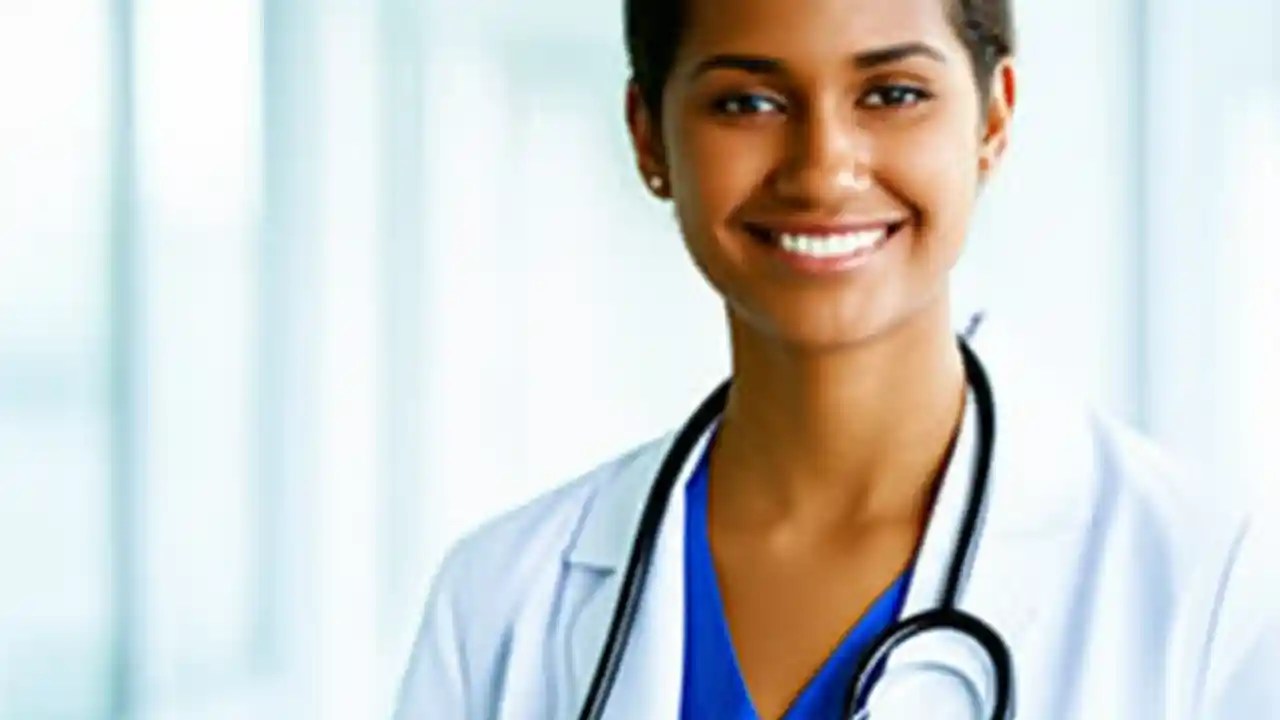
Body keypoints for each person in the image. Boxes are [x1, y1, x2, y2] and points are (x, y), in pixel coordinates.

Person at [395, 0, 1280, 717]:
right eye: (747, 101)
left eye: (892, 94)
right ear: (649, 136)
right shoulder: (503, 604)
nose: (822, 168)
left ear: (994, 119)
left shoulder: (1204, 586)